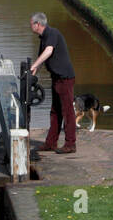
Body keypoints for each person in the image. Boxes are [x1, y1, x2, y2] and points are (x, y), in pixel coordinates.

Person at [29, 13, 77, 154]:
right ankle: (51, 143)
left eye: (31, 23)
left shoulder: (52, 33)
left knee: (67, 112)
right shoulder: (44, 37)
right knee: (55, 111)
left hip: (65, 78)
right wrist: (33, 71)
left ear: (38, 24)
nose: (30, 26)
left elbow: (48, 51)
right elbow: (41, 58)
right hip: (56, 78)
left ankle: (70, 144)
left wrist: (35, 65)